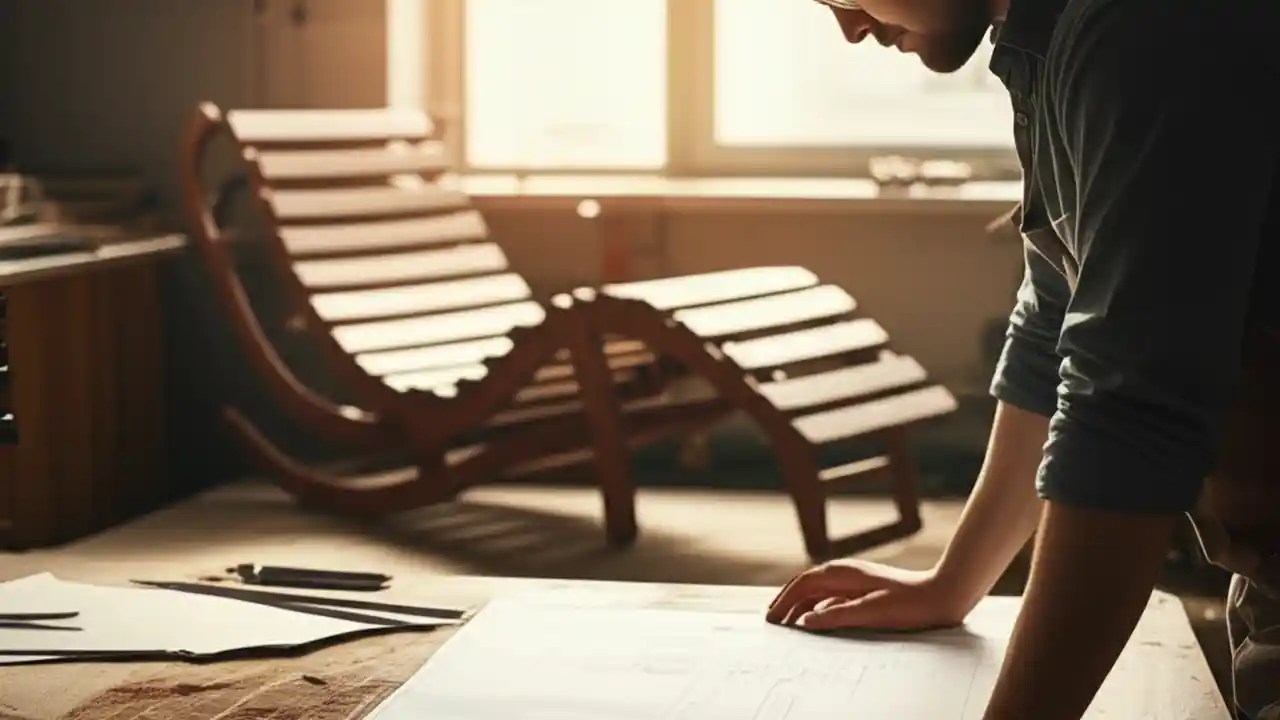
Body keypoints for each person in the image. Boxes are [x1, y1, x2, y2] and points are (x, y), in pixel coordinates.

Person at [766, 0, 1280, 718]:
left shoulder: (1145, 26)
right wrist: (954, 582)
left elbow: (1130, 411)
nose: (850, 25)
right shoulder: (1042, 37)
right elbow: (1055, 318)